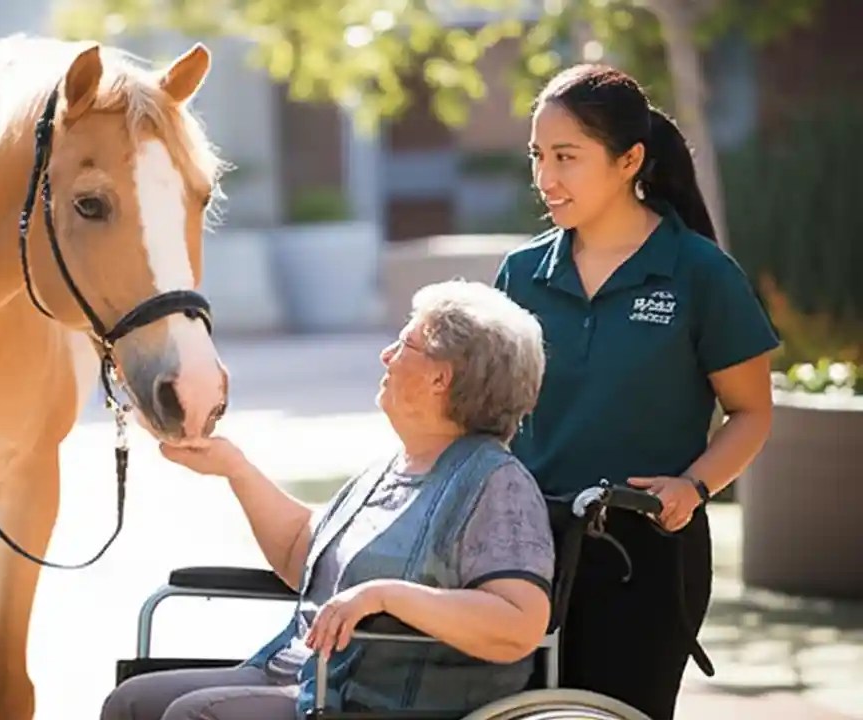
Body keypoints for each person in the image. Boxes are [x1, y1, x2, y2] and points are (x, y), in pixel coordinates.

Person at [101, 280, 556, 720]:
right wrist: (233, 468)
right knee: (133, 702)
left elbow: (518, 623)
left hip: (372, 703)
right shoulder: (391, 469)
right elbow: (307, 554)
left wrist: (386, 596)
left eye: (404, 344)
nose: (386, 355)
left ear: (441, 377)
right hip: (304, 677)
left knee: (194, 715)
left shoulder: (496, 484)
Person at [494, 63, 780, 719]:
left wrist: (694, 487)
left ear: (630, 161)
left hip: (648, 551)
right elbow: (491, 414)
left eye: (567, 156)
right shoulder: (519, 274)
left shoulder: (700, 273)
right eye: (539, 155)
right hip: (524, 548)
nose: (546, 177)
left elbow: (751, 412)